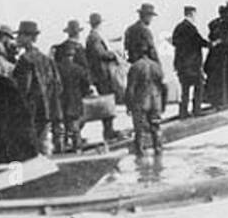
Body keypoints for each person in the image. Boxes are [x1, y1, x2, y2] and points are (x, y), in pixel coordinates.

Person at [11, 20, 63, 155]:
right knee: (44, 143)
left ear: (28, 38)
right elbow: (57, 86)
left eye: (20, 35)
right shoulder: (47, 60)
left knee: (30, 147)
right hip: (47, 110)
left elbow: (22, 89)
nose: (17, 38)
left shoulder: (25, 60)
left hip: (31, 111)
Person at [52, 20, 92, 152]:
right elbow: (86, 80)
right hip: (75, 98)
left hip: (60, 99)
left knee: (60, 127)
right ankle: (77, 149)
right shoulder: (79, 60)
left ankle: (61, 149)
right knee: (75, 126)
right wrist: (86, 91)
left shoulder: (57, 60)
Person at [84, 12, 121, 141]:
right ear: (99, 24)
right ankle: (108, 132)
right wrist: (114, 54)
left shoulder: (93, 36)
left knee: (107, 102)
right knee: (107, 102)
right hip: (101, 75)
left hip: (100, 74)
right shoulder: (94, 37)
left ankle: (109, 130)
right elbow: (100, 53)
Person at [125, 50, 166, 156]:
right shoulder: (156, 66)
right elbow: (164, 87)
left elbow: (130, 88)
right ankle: (158, 151)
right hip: (156, 100)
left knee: (140, 130)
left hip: (141, 101)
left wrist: (129, 105)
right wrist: (163, 104)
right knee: (156, 128)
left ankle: (140, 156)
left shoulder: (135, 67)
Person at [171, 6, 209, 118]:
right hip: (192, 64)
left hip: (181, 64)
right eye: (195, 15)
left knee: (185, 89)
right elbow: (200, 41)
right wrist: (211, 44)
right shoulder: (191, 28)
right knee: (199, 86)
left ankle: (183, 112)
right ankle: (197, 110)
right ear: (192, 14)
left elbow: (174, 42)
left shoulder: (178, 28)